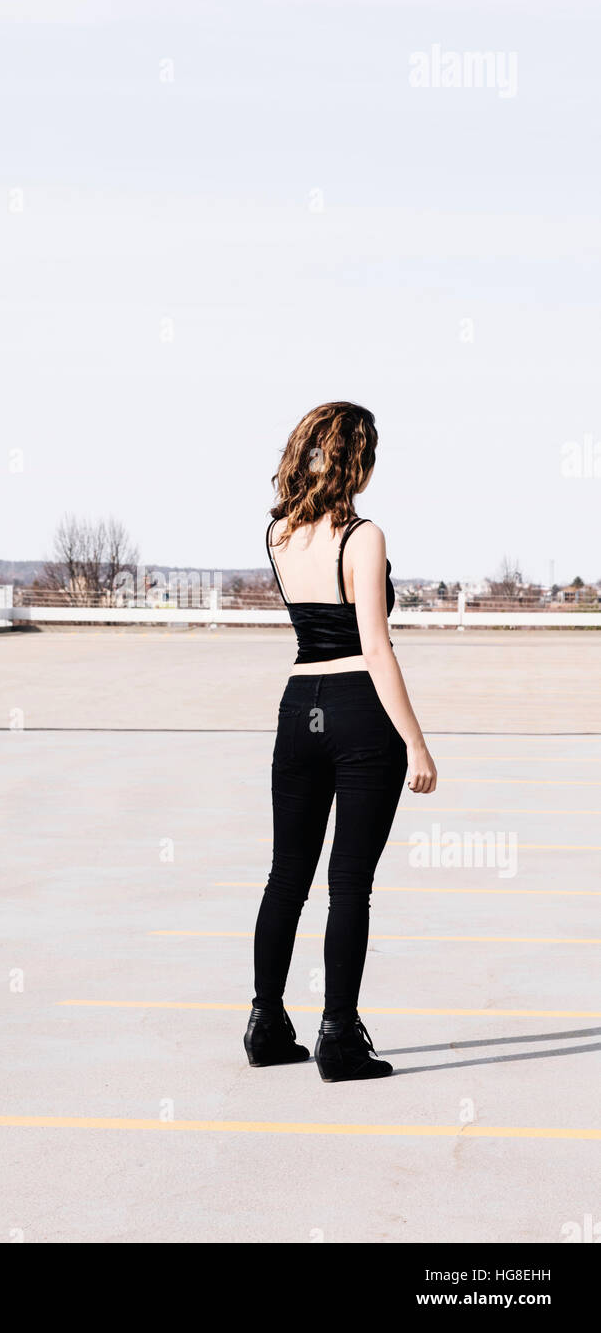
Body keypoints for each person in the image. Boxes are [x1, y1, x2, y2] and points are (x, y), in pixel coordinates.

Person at [244, 402, 437, 1082]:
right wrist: (416, 743)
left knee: (285, 876)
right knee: (349, 881)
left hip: (300, 707)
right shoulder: (363, 535)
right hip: (357, 708)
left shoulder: (278, 534)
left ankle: (266, 1023)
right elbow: (376, 647)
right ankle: (338, 1038)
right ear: (360, 459)